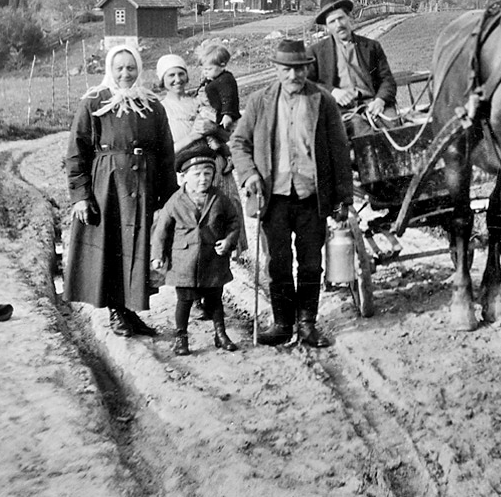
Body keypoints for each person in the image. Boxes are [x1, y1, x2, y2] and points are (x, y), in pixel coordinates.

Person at [230, 38, 354, 348]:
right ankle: (283, 323)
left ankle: (307, 323)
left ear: (307, 69)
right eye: (287, 70)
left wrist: (343, 198)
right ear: (276, 69)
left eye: (299, 69)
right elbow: (238, 143)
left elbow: (339, 151)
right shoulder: (260, 101)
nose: (294, 76)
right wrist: (250, 174)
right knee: (279, 262)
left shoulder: (322, 101)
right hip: (275, 197)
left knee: (311, 262)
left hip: (312, 196)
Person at [64, 44, 177, 338]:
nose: (125, 74)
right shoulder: (94, 101)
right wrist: (81, 195)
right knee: (113, 247)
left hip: (143, 185)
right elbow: (77, 151)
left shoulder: (153, 105)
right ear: (110, 70)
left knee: (138, 248)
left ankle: (130, 312)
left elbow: (166, 154)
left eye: (131, 68)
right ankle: (116, 312)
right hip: (107, 185)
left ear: (139, 69)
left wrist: (168, 199)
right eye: (120, 68)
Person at [151, 140, 241, 356]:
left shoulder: (220, 198)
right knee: (184, 301)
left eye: (208, 174)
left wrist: (229, 241)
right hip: (184, 262)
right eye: (197, 174)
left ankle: (220, 334)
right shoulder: (175, 201)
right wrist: (158, 255)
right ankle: (181, 337)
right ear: (184, 177)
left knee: (215, 299)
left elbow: (234, 222)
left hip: (213, 259)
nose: (203, 179)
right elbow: (161, 230)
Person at [308, 0, 398, 138]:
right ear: (327, 27)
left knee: (395, 126)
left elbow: (387, 80)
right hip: (341, 110)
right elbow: (307, 84)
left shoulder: (371, 46)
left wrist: (380, 100)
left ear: (349, 18)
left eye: (341, 18)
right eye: (332, 22)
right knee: (361, 130)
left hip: (373, 103)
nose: (339, 25)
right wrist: (332, 92)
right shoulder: (316, 52)